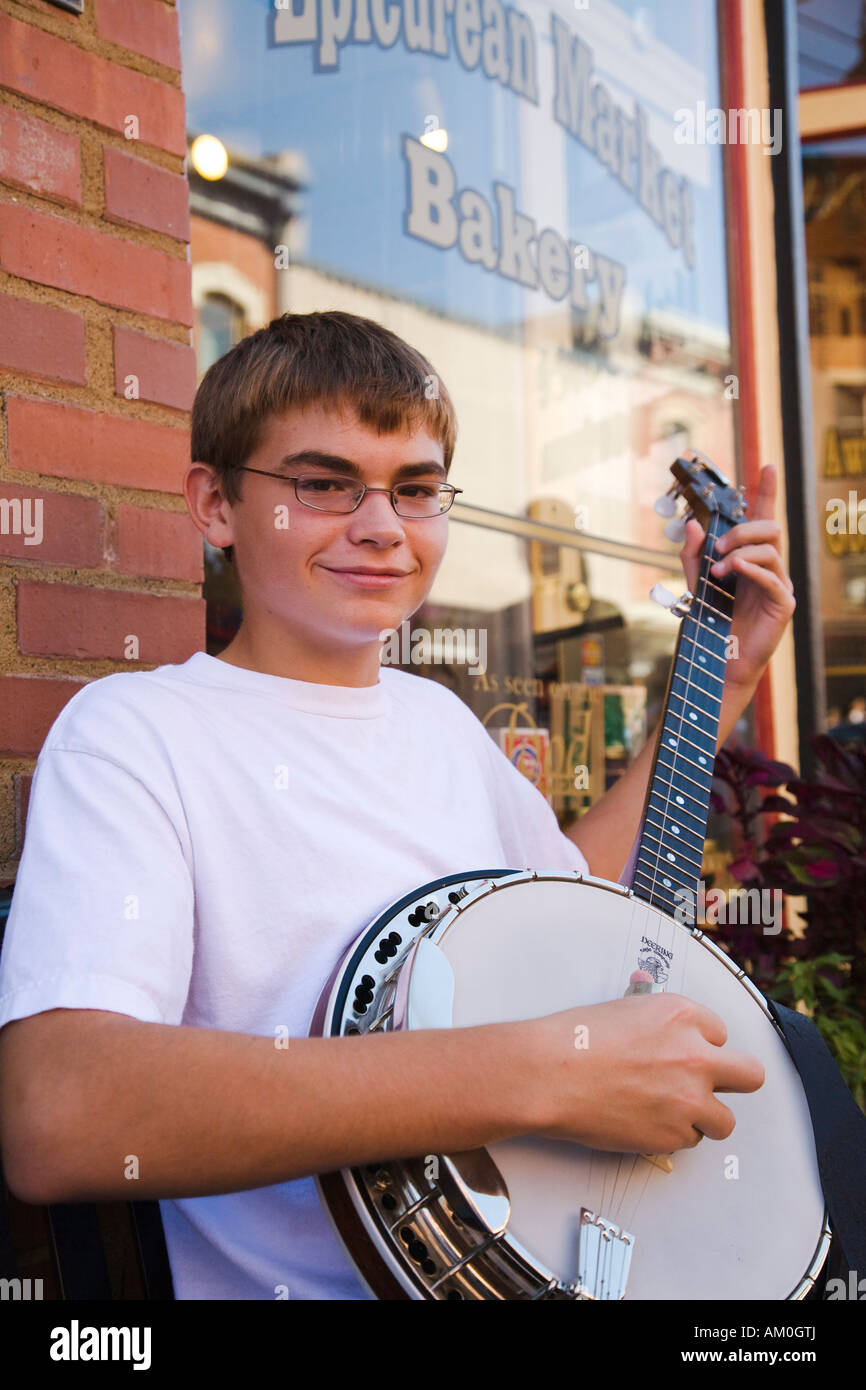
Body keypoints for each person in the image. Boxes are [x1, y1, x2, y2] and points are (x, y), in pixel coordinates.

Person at [0, 311, 795, 1300]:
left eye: (415, 489)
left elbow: (580, 903)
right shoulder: (135, 732)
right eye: (324, 483)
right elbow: (62, 1111)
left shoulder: (441, 723)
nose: (381, 527)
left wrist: (711, 690)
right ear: (213, 503)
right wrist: (541, 1073)